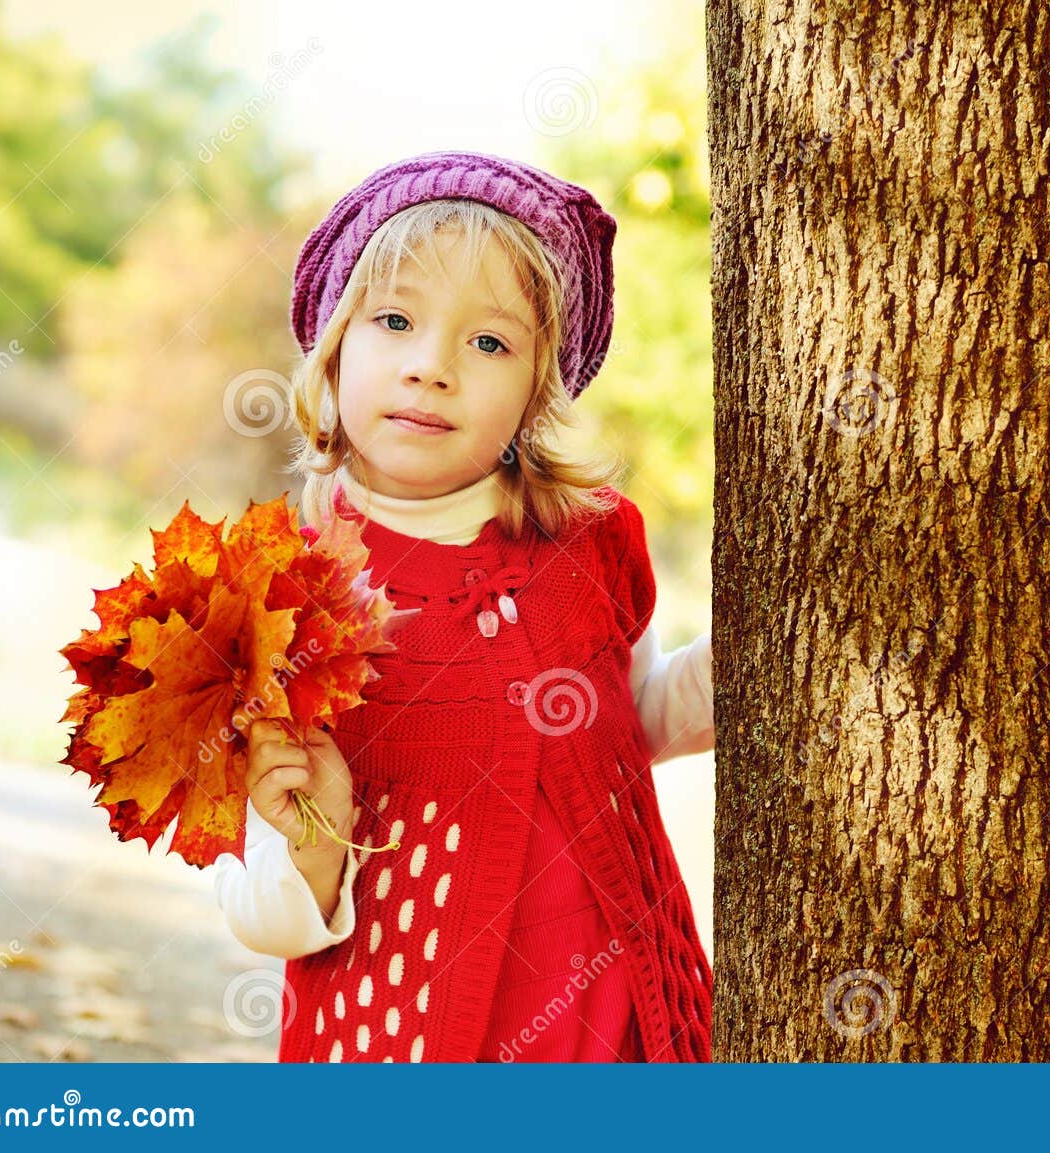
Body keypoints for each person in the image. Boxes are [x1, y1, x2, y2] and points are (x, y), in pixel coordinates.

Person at [210, 151, 714, 1062]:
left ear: (537, 389)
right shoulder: (287, 593)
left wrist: (746, 657)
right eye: (396, 321)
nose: (432, 367)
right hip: (400, 1038)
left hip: (620, 1027)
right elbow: (266, 914)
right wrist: (315, 840)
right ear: (334, 347)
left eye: (489, 343)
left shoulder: (592, 539)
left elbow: (630, 720)